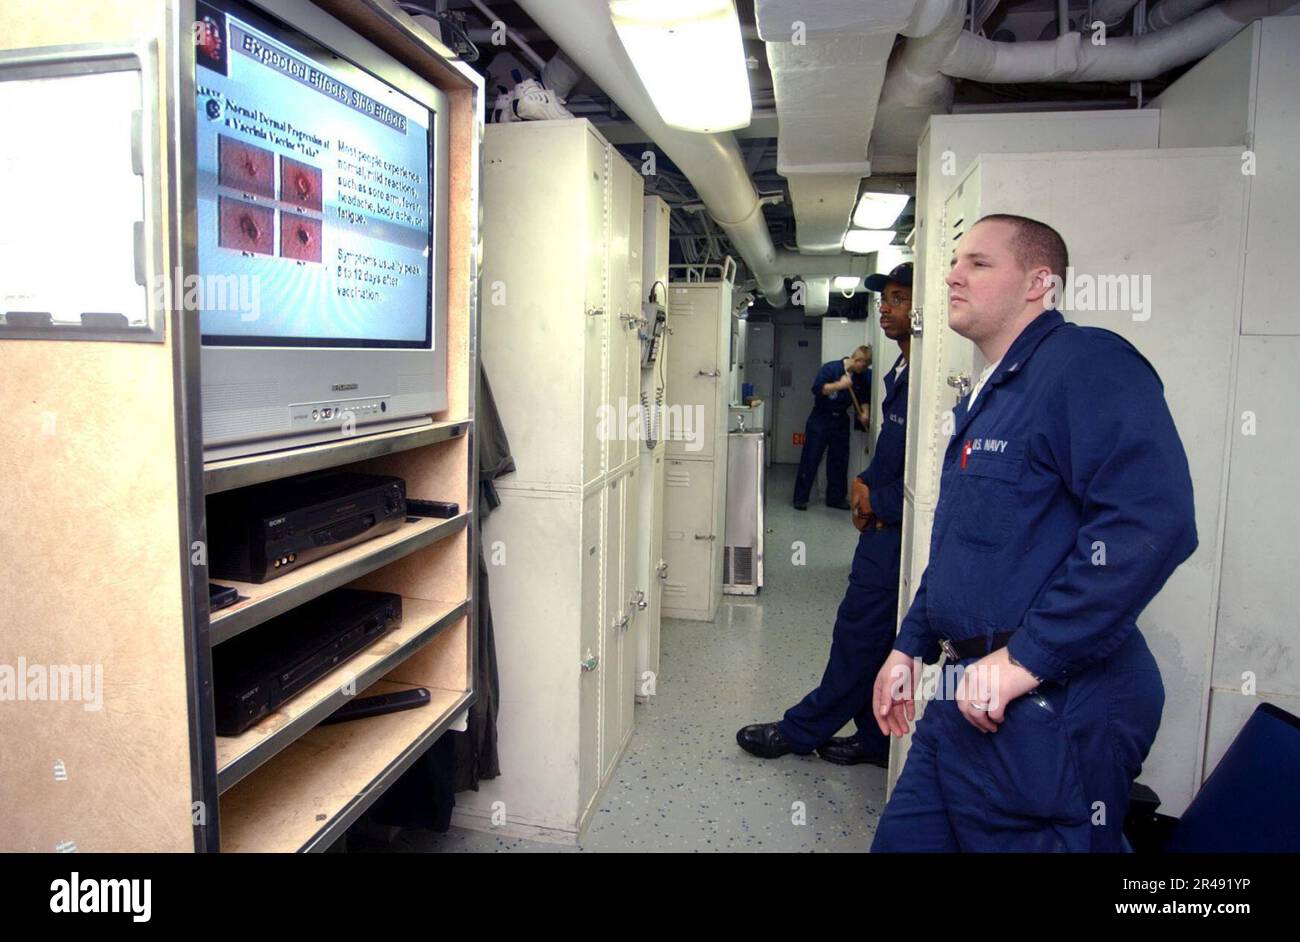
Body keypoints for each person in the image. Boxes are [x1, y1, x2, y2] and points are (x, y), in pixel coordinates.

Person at [870, 215, 1197, 852]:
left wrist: (1027, 660)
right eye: (955, 262)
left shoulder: (1087, 364)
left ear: (1039, 283)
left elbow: (1153, 522)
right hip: (965, 694)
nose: (952, 275)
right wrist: (908, 646)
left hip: (1050, 704)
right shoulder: (994, 393)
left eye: (979, 263)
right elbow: (967, 545)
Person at [737, 263, 913, 766]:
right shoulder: (892, 372)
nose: (886, 307)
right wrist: (868, 485)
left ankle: (802, 731)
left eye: (898, 299)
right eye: (885, 299)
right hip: (879, 518)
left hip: (895, 530)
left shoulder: (916, 374)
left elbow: (931, 470)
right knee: (873, 638)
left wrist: (874, 498)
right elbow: (891, 450)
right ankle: (875, 741)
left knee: (860, 635)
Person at [792, 345, 872, 510]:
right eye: (863, 365)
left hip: (841, 420)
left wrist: (865, 413)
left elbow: (863, 398)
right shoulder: (831, 368)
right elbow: (817, 389)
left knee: (839, 461)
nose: (864, 369)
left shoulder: (860, 377)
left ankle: (835, 498)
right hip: (820, 418)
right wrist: (839, 385)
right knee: (811, 457)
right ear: (857, 360)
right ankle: (800, 498)